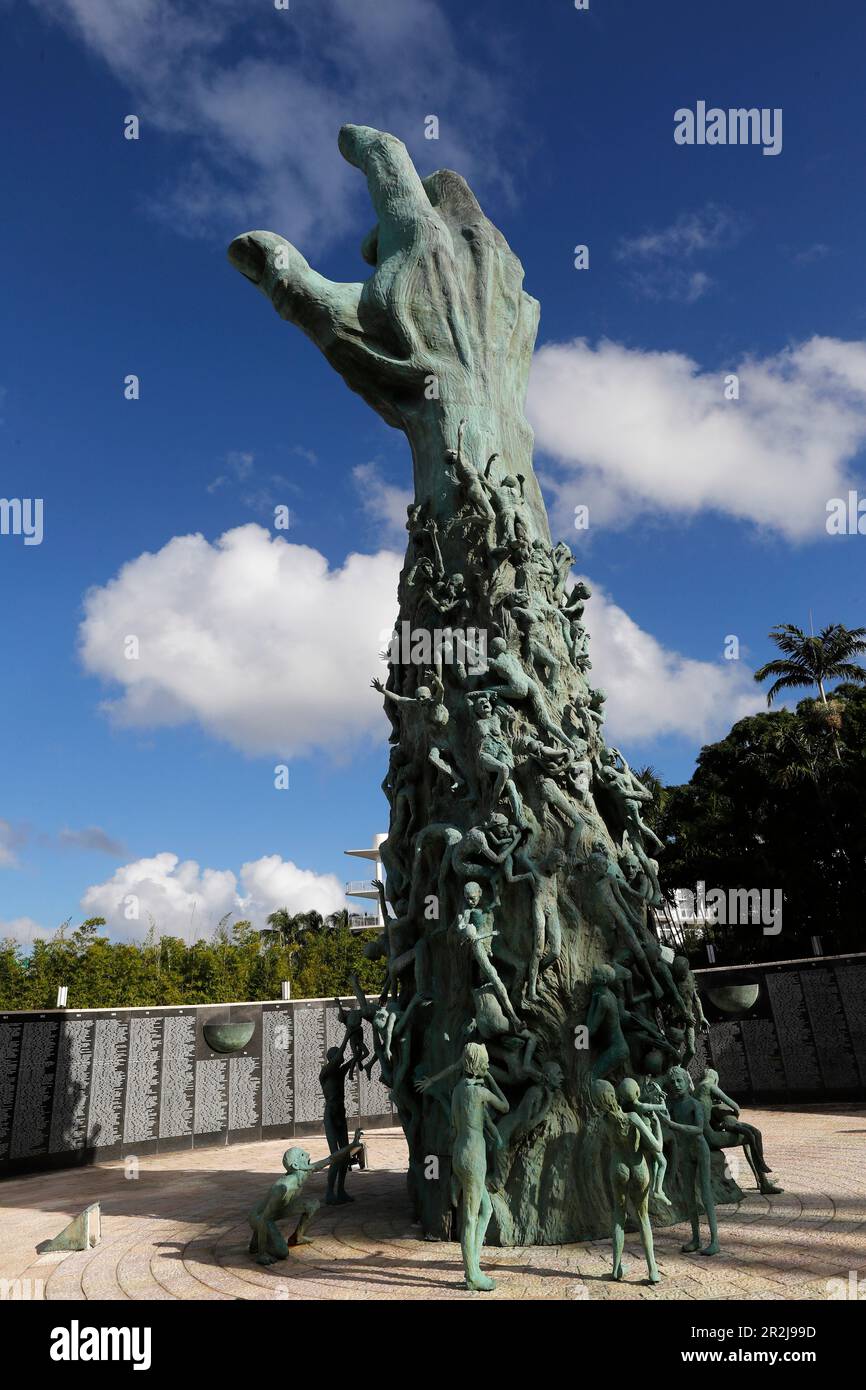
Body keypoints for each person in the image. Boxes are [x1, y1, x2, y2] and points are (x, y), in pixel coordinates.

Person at [248, 1131, 363, 1265]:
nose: (308, 1155)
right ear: (296, 1166)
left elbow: (331, 1159)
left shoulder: (304, 1171)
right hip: (258, 1217)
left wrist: (352, 1145)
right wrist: (262, 1254)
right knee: (282, 1253)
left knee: (312, 1204)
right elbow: (264, 1218)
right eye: (303, 1155)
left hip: (275, 1210)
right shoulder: (283, 1187)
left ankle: (297, 1237)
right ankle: (259, 1245)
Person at [450, 1042, 509, 1291]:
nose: (487, 1066)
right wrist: (492, 1080)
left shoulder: (457, 1091)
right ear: (478, 1066)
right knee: (470, 1218)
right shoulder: (480, 1093)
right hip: (474, 1155)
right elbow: (505, 1106)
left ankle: (474, 1263)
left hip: (459, 1152)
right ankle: (472, 1275)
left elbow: (453, 1123)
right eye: (485, 1063)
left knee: (486, 1211)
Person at [593, 1077, 662, 1283]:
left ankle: (616, 1268)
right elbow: (657, 1147)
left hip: (618, 1169)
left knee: (618, 1215)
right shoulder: (632, 1117)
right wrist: (657, 1124)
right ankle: (652, 1270)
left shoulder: (604, 1120)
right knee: (643, 1219)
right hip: (638, 1167)